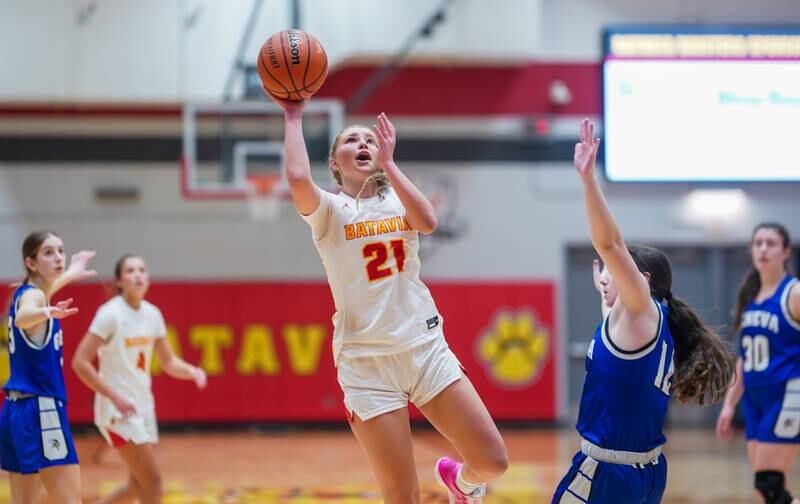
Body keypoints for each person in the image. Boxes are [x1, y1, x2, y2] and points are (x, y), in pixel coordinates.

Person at [266, 94, 507, 504]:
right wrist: (293, 115)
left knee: (492, 462)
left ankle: (461, 485)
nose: (362, 144)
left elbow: (429, 223)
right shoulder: (330, 211)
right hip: (367, 364)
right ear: (335, 163)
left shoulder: (398, 199)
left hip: (425, 349)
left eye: (369, 141)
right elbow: (296, 179)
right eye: (351, 142)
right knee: (401, 496)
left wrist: (391, 165)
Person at [552, 120, 735, 503]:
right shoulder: (649, 322)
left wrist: (587, 180)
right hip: (646, 470)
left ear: (642, 279)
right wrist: (604, 287)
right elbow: (610, 312)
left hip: (606, 471)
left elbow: (610, 242)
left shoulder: (640, 310)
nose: (606, 276)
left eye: (613, 272)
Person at [72, 255, 207, 504]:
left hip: (143, 406)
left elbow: (168, 362)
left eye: (142, 270)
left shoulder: (152, 314)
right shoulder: (110, 314)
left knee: (136, 486)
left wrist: (192, 371)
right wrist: (113, 396)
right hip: (118, 409)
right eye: (130, 270)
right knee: (153, 482)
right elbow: (79, 362)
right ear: (119, 281)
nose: (137, 275)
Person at [0, 230, 96, 503]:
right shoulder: (36, 300)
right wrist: (46, 312)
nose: (58, 257)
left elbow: (45, 291)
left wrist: (75, 271)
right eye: (49, 252)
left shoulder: (26, 292)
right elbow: (23, 318)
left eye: (61, 251)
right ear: (31, 263)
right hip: (41, 411)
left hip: (14, 411)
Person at [716, 223, 800, 504]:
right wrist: (729, 404)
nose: (763, 249)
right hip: (754, 399)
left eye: (771, 243)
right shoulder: (750, 297)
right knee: (767, 491)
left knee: (769, 485)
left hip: (786, 394)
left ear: (785, 251)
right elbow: (745, 359)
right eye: (758, 243)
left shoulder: (794, 293)